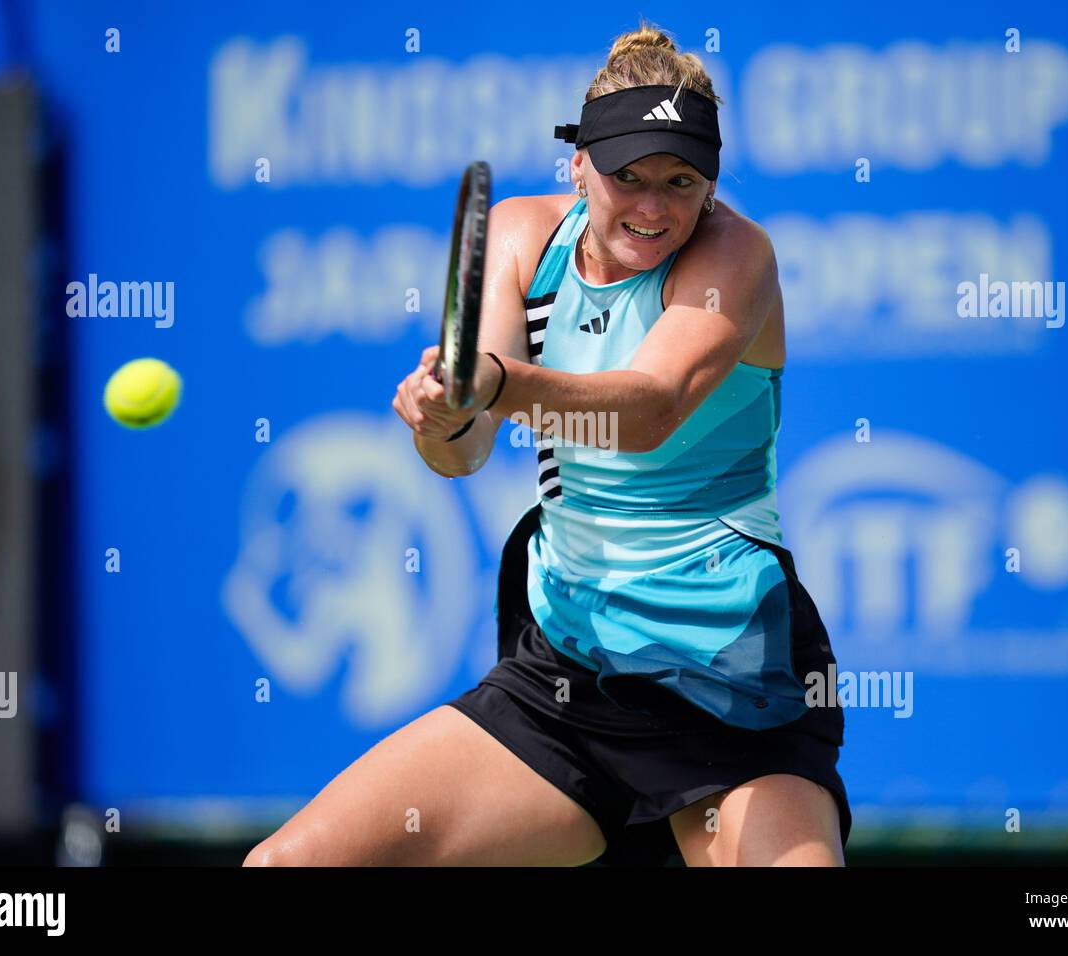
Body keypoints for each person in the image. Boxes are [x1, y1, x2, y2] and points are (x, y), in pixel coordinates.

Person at [244, 20, 850, 868]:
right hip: (566, 678)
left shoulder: (737, 256)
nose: (652, 205)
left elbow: (649, 409)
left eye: (680, 181)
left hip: (732, 683)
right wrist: (443, 417)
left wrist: (492, 381)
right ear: (578, 164)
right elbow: (466, 453)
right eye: (626, 176)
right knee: (287, 867)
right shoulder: (527, 239)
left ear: (711, 184)